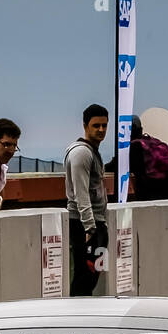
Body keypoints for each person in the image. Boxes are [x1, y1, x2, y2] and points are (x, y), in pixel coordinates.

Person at [65, 103, 110, 297]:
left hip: (97, 224)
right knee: (83, 278)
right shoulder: (81, 152)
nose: (101, 130)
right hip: (84, 226)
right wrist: (90, 228)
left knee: (92, 278)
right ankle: (75, 320)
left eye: (104, 125)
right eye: (96, 125)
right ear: (85, 125)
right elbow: (80, 192)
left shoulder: (92, 151)